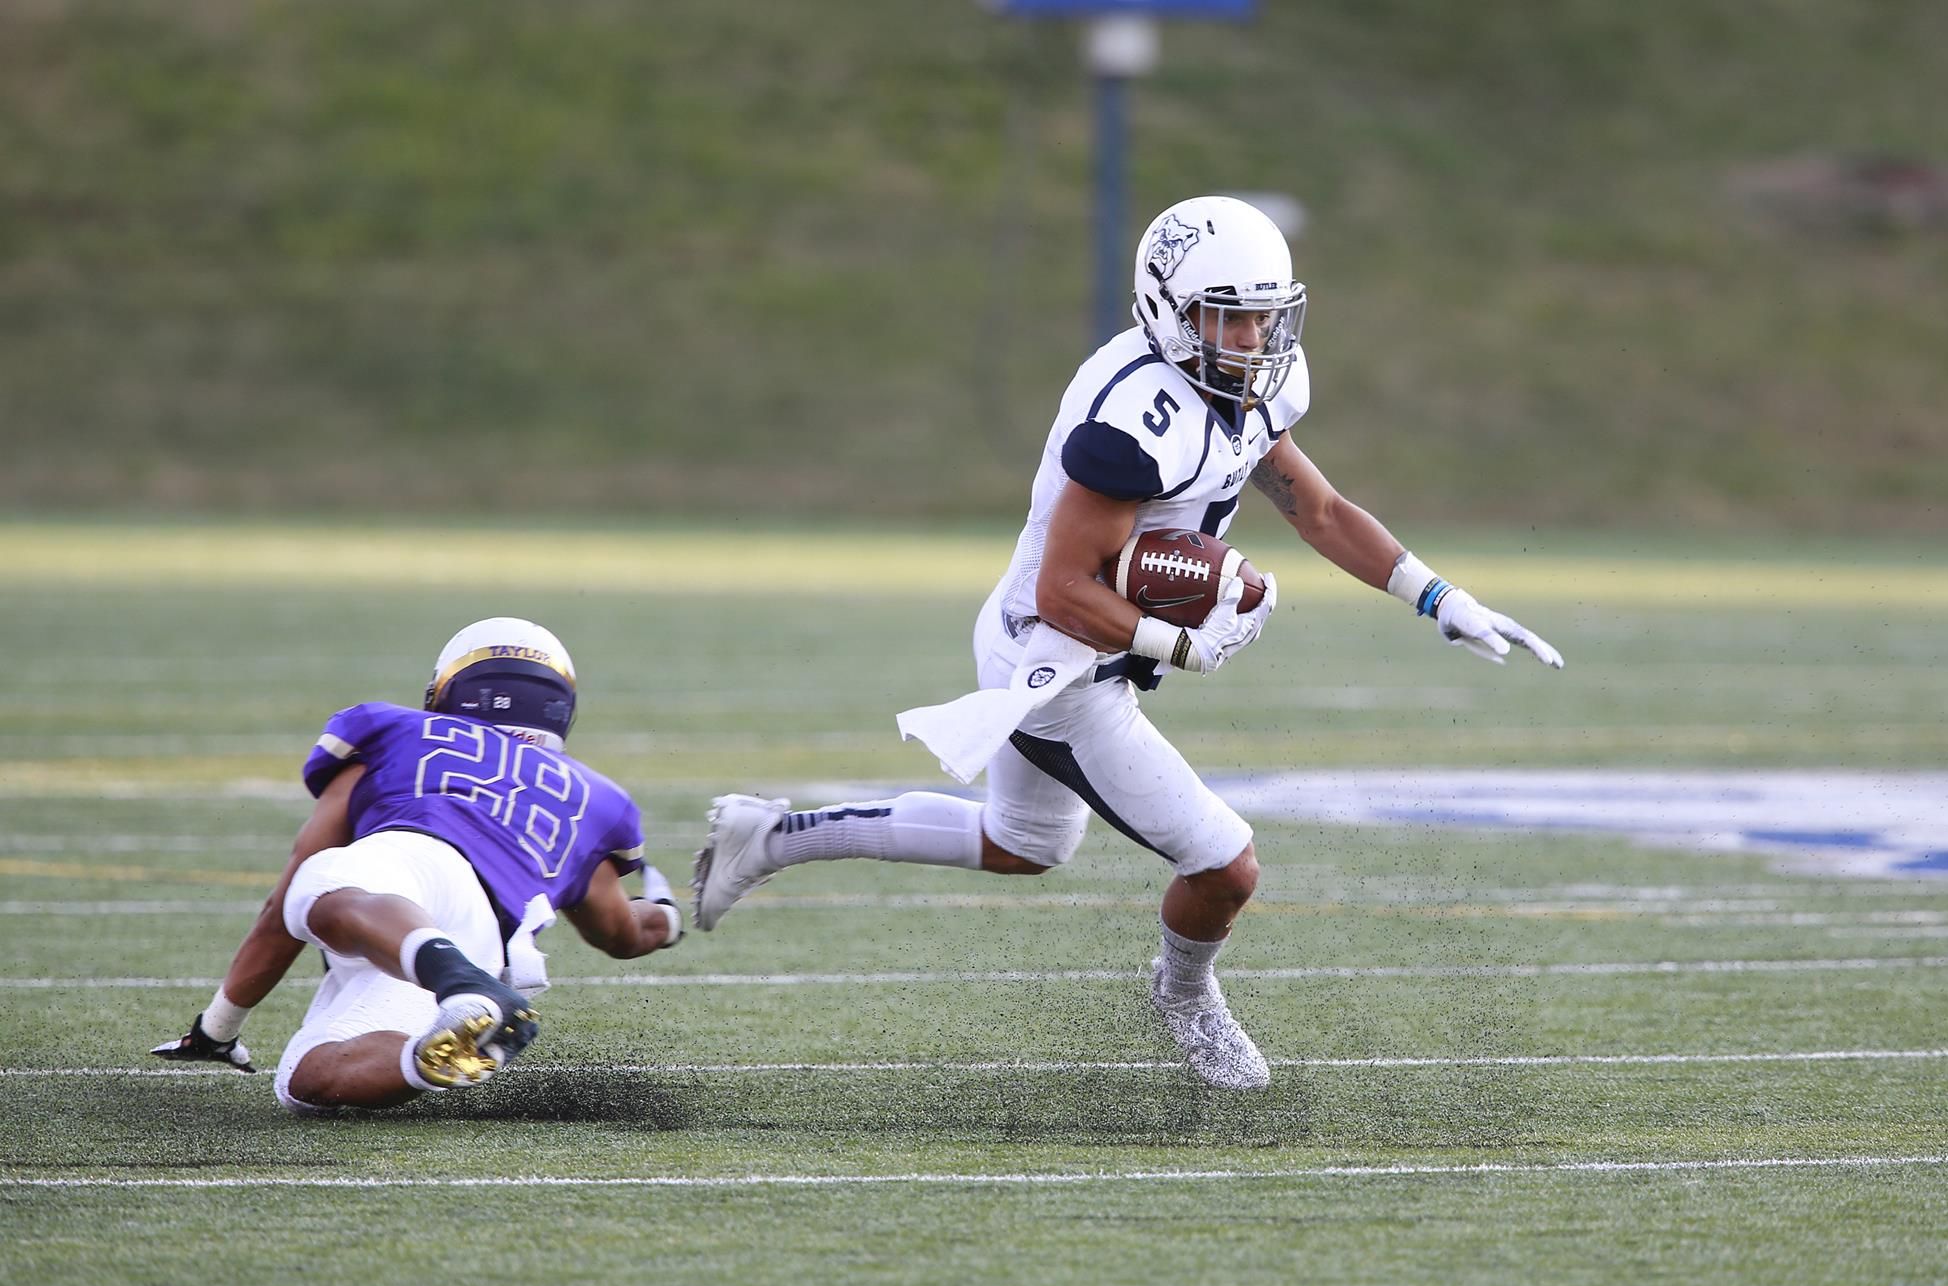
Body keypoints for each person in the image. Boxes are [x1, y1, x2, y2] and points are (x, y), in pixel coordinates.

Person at [689, 195, 1562, 1091]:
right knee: (1226, 865)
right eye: (1228, 313)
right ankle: (1185, 995)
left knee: (1024, 842)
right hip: (1059, 657)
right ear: (1168, 307)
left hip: (1085, 635)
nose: (1253, 335)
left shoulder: (1250, 383)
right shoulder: (1135, 415)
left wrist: (1436, 596)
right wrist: (1186, 645)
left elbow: (1320, 507)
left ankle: (772, 837)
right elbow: (1060, 589)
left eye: (1265, 311)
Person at [151, 617, 683, 1113]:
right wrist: (669, 914)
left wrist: (220, 1027)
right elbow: (624, 933)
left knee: (319, 880)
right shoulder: (590, 795)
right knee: (304, 1079)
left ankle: (462, 988)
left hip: (414, 874)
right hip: (481, 940)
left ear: (449, 690)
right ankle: (433, 1056)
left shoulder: (401, 733)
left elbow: (285, 904)